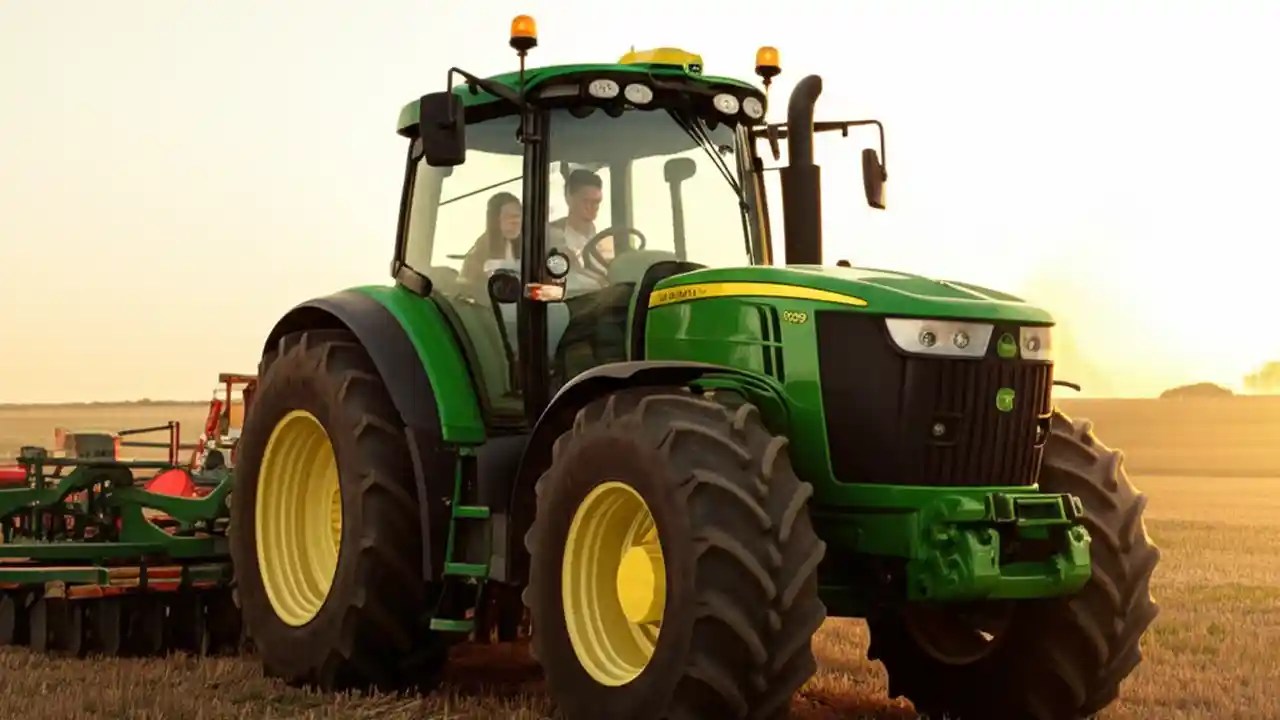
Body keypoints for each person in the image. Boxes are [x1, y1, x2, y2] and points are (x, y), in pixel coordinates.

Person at [548, 169, 613, 270]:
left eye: (597, 202)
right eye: (586, 201)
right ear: (568, 197)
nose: (593, 207)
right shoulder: (552, 237)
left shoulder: (604, 240)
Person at [459, 192, 522, 287]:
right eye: (508, 216)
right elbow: (465, 286)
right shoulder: (480, 251)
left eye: (517, 216)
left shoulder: (531, 247)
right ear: (494, 219)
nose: (515, 222)